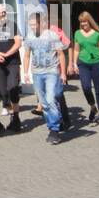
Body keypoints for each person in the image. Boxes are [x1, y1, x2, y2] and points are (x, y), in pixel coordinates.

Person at [24, 12, 69, 144]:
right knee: (44, 103)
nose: (32, 27)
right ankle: (55, 122)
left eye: (34, 24)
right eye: (30, 24)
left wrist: (63, 73)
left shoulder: (52, 35)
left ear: (41, 23)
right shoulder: (30, 37)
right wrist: (26, 73)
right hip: (37, 73)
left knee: (50, 100)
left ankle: (54, 130)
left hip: (51, 72)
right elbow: (27, 55)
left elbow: (61, 54)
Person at [70, 11, 99, 124]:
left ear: (89, 21)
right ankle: (92, 107)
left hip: (97, 63)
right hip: (83, 63)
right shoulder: (77, 33)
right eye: (81, 22)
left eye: (85, 21)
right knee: (86, 87)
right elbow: (76, 49)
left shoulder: (98, 34)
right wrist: (74, 63)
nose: (83, 24)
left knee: (98, 89)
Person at [0, 4, 23, 131]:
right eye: (0, 14)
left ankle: (16, 117)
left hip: (13, 62)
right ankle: (11, 115)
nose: (4, 15)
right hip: (0, 63)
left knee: (12, 88)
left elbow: (18, 43)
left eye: (4, 13)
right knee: (2, 90)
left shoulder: (12, 25)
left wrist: (7, 53)